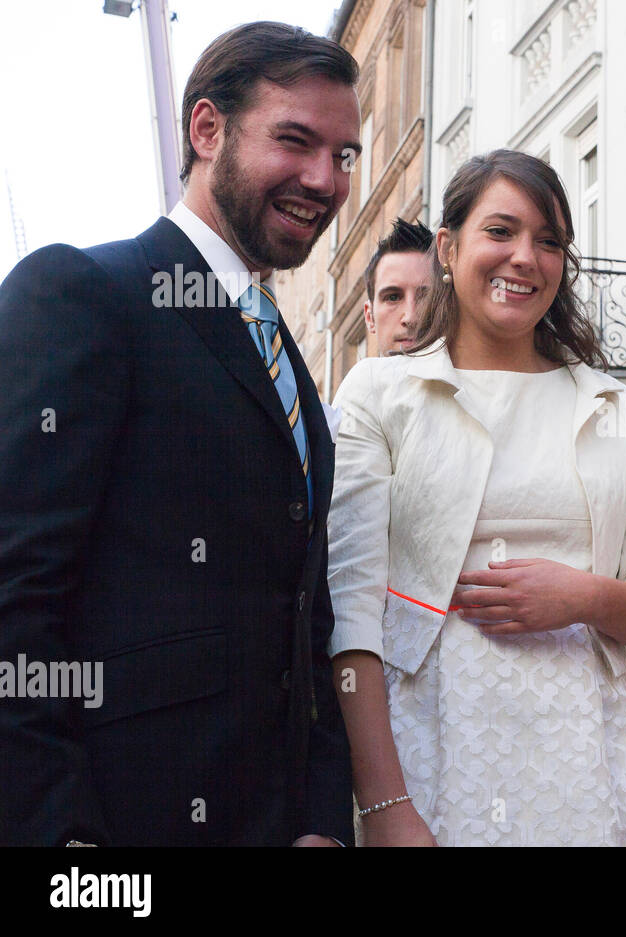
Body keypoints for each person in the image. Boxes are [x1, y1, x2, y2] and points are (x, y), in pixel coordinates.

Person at [0, 22, 360, 845]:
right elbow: (14, 599)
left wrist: (318, 820)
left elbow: (305, 620)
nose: (323, 179)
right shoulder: (86, 293)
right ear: (207, 130)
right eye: (295, 141)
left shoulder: (289, 363)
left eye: (344, 155)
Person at [327, 149, 626, 846]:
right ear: (448, 246)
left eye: (550, 240)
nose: (525, 257)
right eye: (501, 231)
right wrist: (382, 804)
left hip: (590, 768)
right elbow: (349, 611)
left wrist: (583, 596)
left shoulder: (609, 402)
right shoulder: (380, 393)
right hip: (433, 757)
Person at [362, 217, 435, 355]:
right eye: (393, 297)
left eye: (426, 297)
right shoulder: (357, 376)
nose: (411, 318)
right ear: (369, 317)